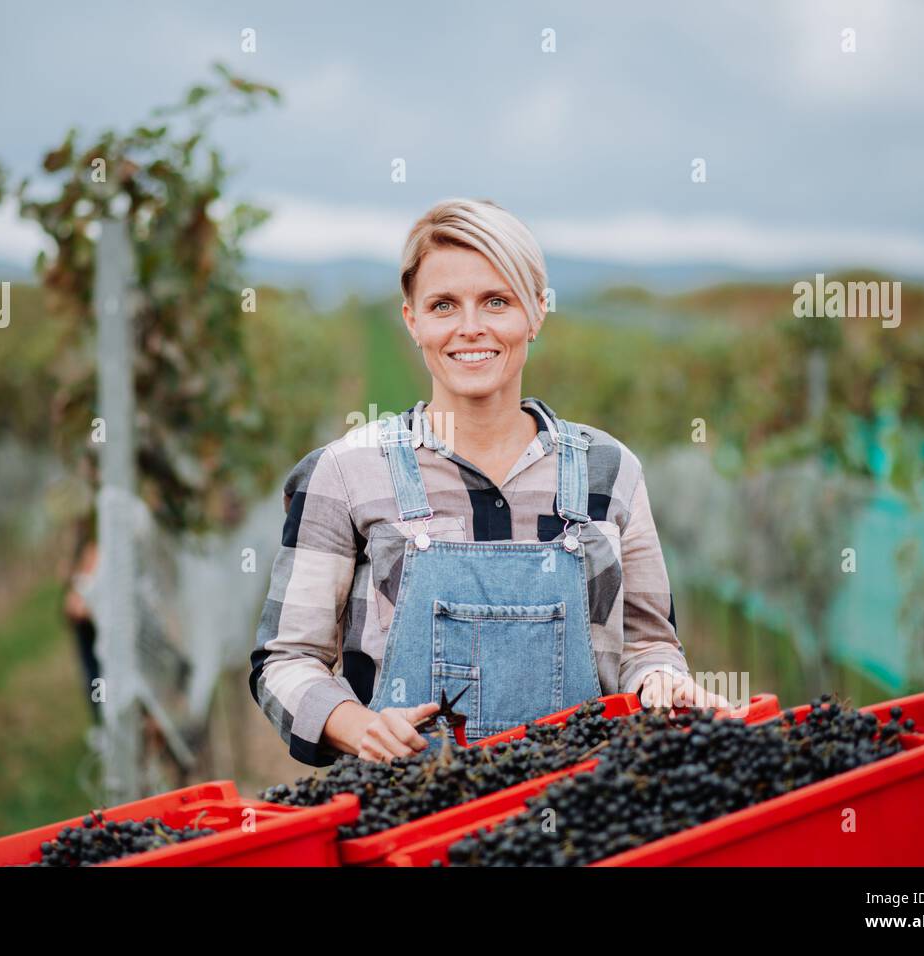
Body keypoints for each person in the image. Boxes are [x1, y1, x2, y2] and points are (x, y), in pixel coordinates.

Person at [249, 197, 729, 767]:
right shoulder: (348, 472)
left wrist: (661, 683)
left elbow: (649, 645)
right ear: (412, 321)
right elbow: (285, 661)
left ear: (536, 312)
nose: (470, 327)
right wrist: (359, 727)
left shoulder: (609, 470)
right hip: (405, 815)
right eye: (443, 305)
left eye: (496, 301)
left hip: (580, 814)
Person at [62, 514, 101, 724]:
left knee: (97, 674)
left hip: (92, 619)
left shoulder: (96, 544)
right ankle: (101, 720)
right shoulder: (82, 543)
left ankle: (103, 718)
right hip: (84, 621)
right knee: (93, 674)